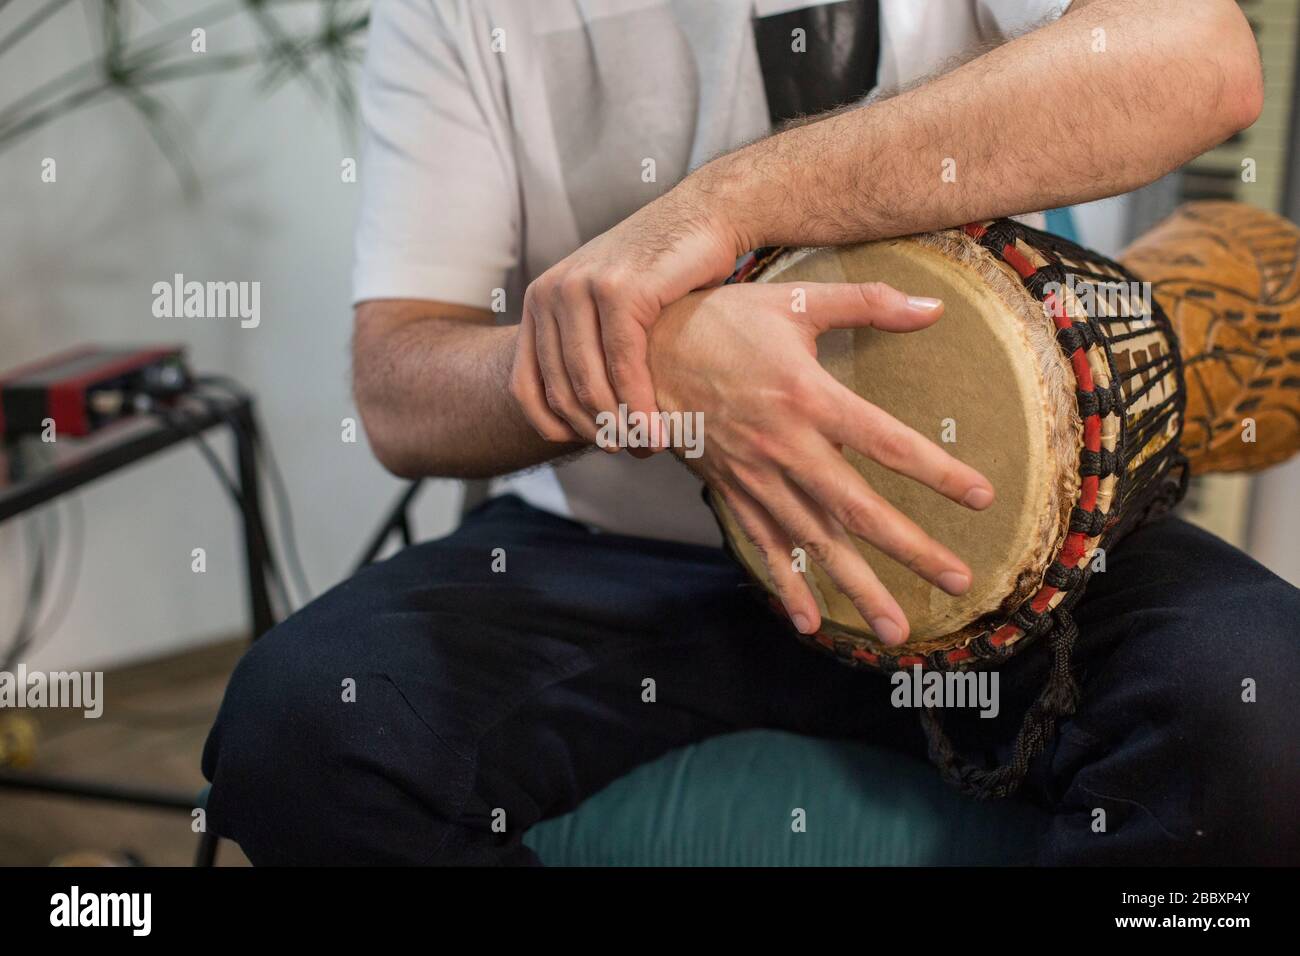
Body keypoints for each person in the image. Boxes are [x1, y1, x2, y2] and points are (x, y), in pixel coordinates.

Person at [202, 0, 1300, 865]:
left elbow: (1195, 55)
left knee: (1262, 707)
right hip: (624, 556)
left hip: (983, 538)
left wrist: (721, 208)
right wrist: (648, 370)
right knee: (302, 735)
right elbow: (399, 386)